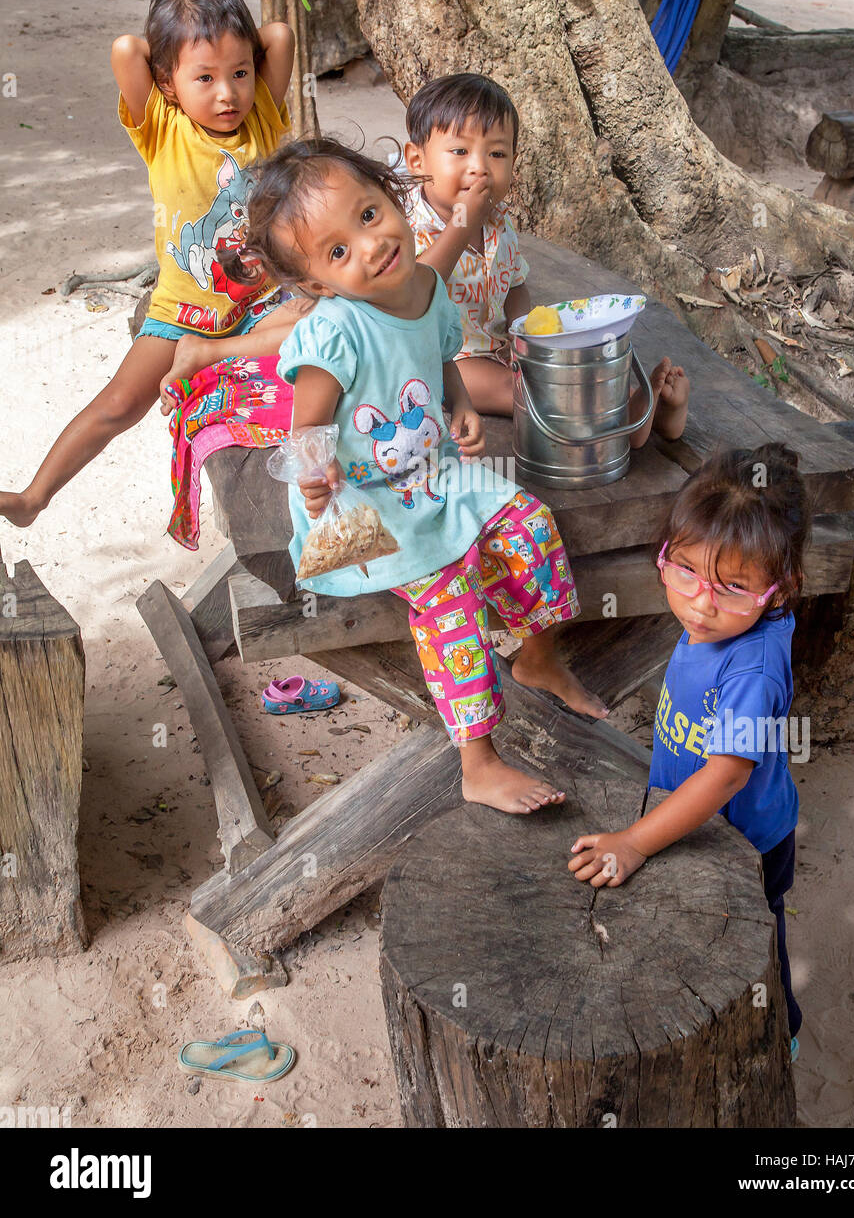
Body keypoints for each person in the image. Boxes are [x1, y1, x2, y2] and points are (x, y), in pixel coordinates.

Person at [225, 135, 609, 815]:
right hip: (351, 510)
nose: (369, 246)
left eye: (369, 215)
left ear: (393, 198)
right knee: (448, 592)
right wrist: (313, 476)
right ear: (316, 282)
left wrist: (458, 405)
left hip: (426, 477)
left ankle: (537, 656)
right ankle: (478, 761)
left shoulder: (428, 287)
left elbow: (441, 355)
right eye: (337, 251)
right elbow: (305, 423)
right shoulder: (334, 332)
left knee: (528, 523)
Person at [0, 0, 303, 528]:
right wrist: (173, 54)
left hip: (263, 302)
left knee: (323, 349)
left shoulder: (262, 111)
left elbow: (279, 35)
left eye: (239, 73)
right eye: (204, 78)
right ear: (167, 83)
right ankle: (33, 498)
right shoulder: (161, 127)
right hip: (181, 311)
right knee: (119, 404)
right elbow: (126, 49)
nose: (226, 93)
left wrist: (220, 49)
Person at [568, 443, 807, 1052]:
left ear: (779, 592)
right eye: (687, 572)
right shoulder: (727, 618)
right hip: (691, 816)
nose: (702, 603)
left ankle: (780, 1031)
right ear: (666, 555)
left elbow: (727, 775)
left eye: (731, 586)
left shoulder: (751, 671)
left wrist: (635, 841)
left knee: (756, 933)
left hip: (746, 837)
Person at [402, 73, 689, 444]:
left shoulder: (498, 223)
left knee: (563, 365)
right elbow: (418, 288)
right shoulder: (405, 226)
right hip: (441, 363)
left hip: (502, 350)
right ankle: (627, 418)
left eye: (497, 153)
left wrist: (525, 334)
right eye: (460, 151)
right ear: (416, 159)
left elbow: (515, 286)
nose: (480, 166)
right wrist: (462, 222)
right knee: (521, 390)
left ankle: (648, 409)